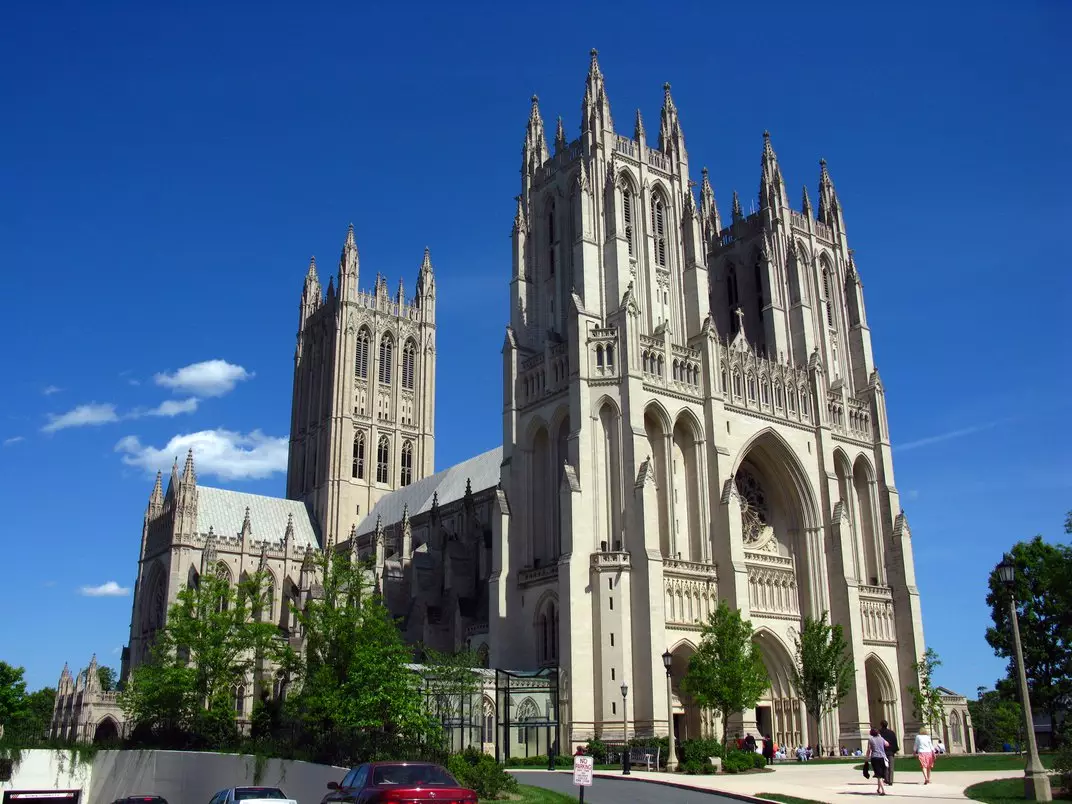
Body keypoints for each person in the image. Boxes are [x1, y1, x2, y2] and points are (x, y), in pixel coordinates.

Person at [865, 727, 889, 796]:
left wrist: (867, 758)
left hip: (875, 758)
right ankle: (879, 789)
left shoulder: (870, 739)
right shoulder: (881, 739)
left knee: (879, 775)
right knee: (880, 775)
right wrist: (880, 737)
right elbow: (887, 744)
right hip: (882, 757)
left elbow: (869, 750)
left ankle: (883, 790)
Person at [879, 720, 899, 785]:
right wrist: (895, 750)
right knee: (891, 767)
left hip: (882, 752)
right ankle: (890, 780)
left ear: (881, 725)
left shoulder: (879, 733)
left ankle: (886, 779)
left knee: (885, 766)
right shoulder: (891, 733)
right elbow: (894, 742)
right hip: (890, 752)